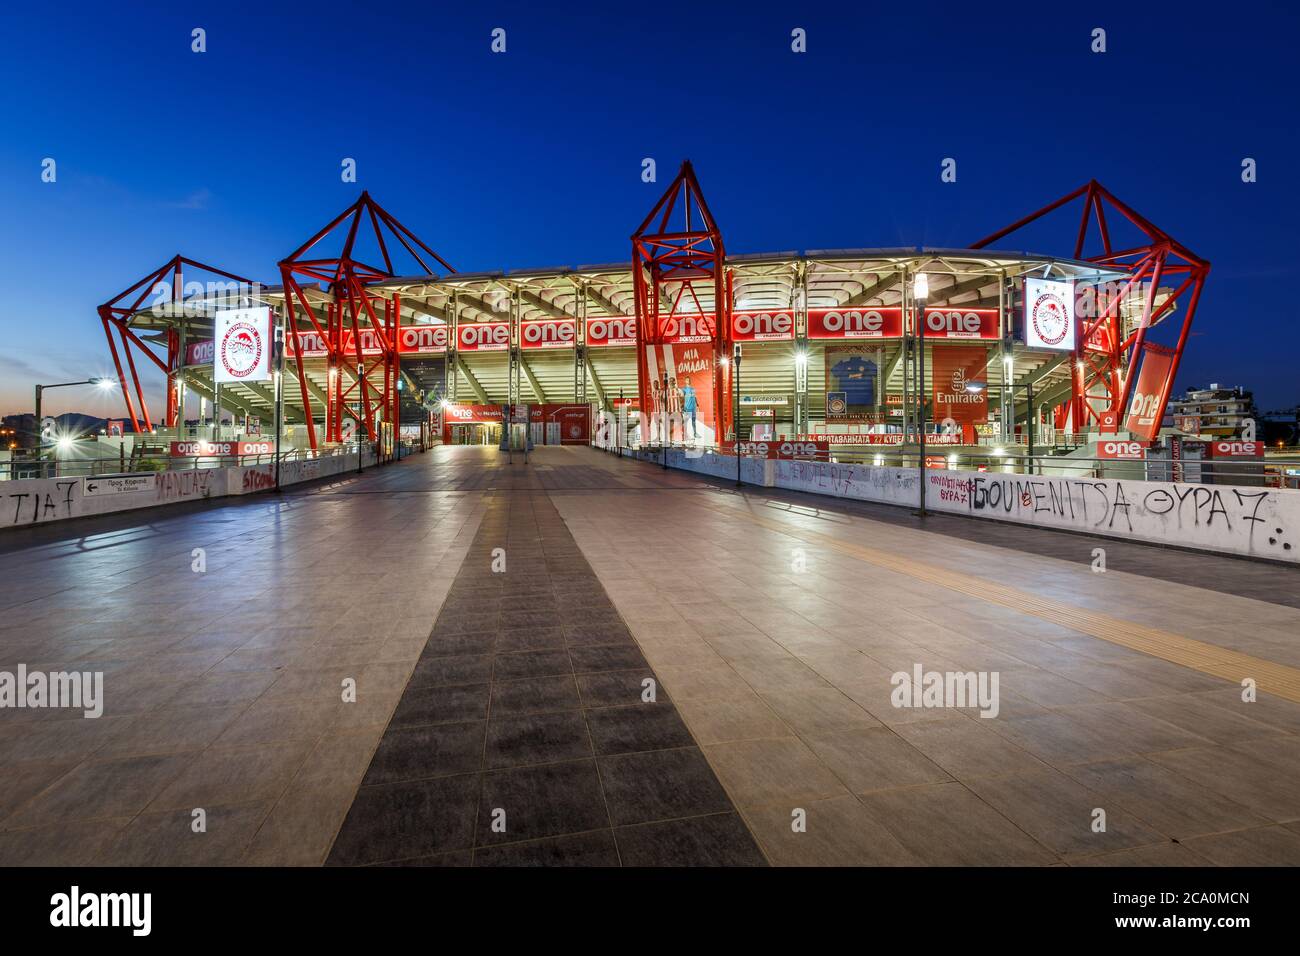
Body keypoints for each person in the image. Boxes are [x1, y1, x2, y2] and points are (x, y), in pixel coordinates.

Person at [680, 377, 698, 441]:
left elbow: (694, 397)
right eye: (687, 380)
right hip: (687, 408)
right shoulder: (684, 389)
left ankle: (695, 433)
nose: (688, 381)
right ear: (685, 381)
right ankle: (684, 435)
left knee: (693, 421)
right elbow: (681, 398)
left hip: (693, 408)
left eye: (689, 380)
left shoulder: (693, 389)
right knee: (685, 422)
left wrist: (697, 404)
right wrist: (682, 407)